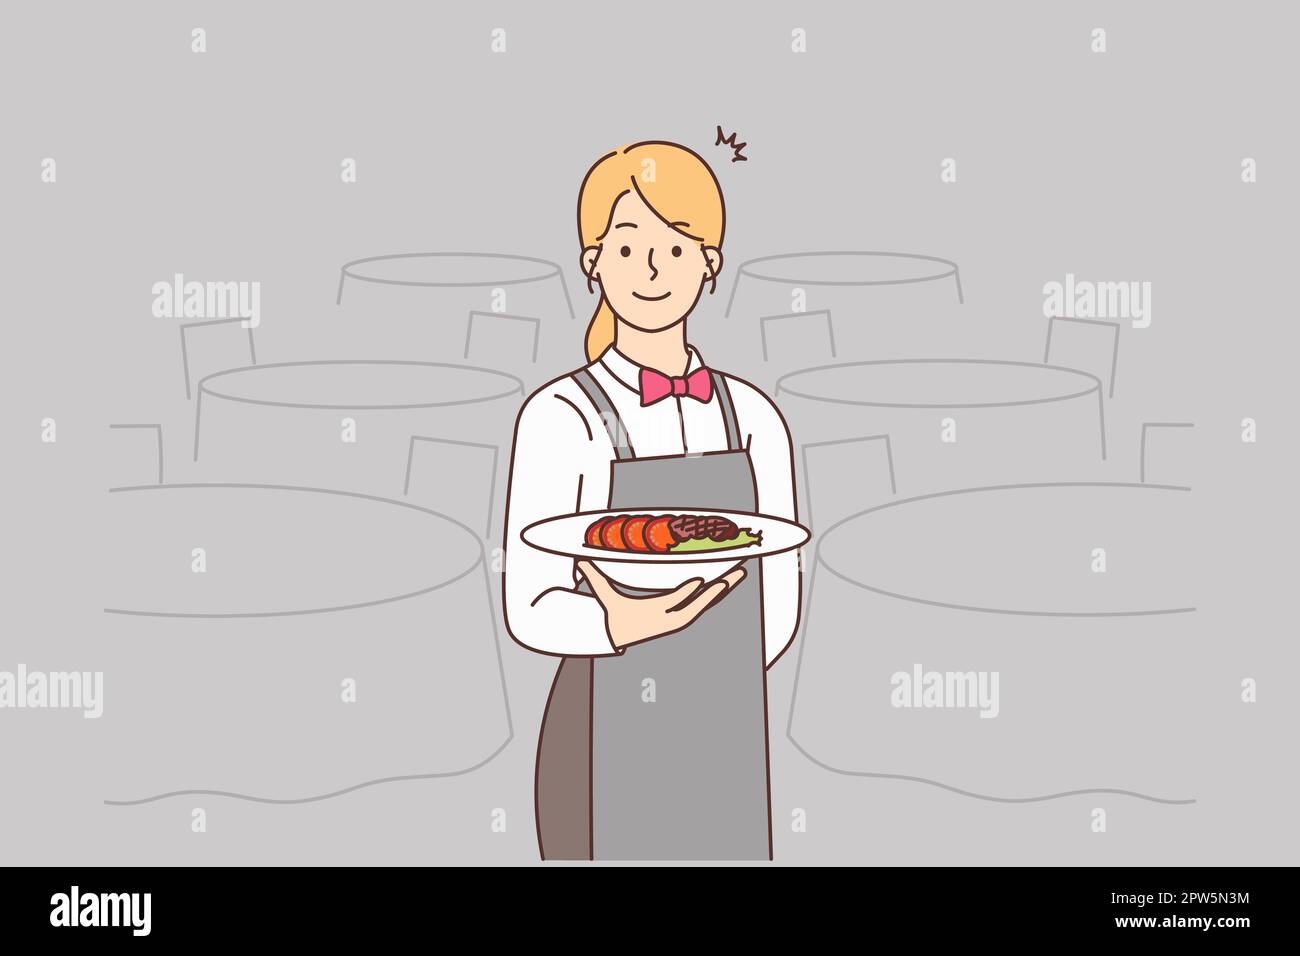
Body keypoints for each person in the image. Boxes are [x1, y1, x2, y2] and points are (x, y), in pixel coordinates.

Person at [502, 140, 800, 861]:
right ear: (593, 264)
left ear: (710, 264)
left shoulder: (754, 415)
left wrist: (708, 685)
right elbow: (529, 606)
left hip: (727, 723)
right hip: (598, 718)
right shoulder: (560, 414)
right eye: (628, 247)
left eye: (676, 246)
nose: (652, 269)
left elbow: (779, 600)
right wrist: (620, 625)